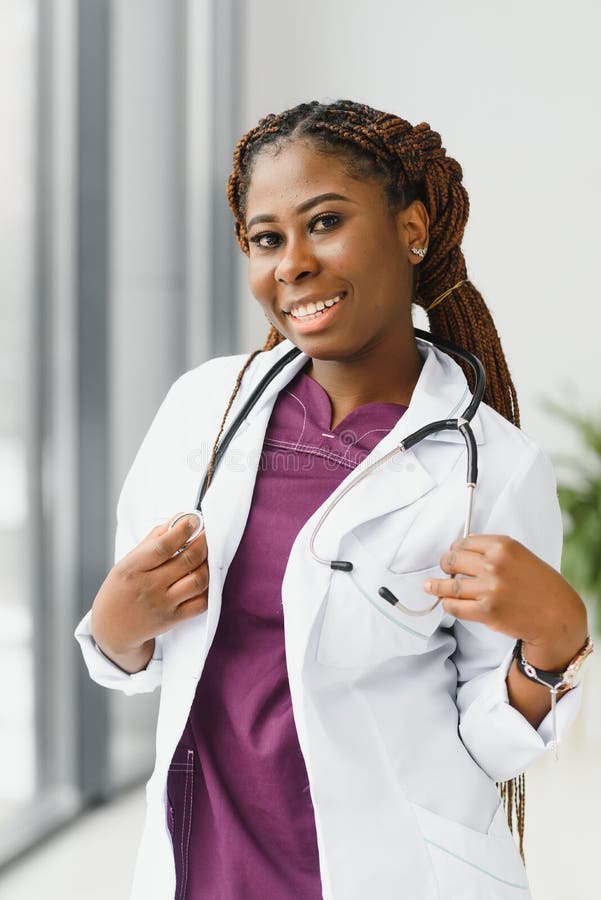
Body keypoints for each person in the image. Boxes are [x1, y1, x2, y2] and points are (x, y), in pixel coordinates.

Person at [75, 100, 592, 900]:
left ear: (411, 227)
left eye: (323, 223)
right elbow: (135, 660)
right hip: (207, 866)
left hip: (388, 871)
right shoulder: (199, 410)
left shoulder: (491, 465)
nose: (291, 265)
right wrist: (114, 627)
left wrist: (556, 643)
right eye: (265, 239)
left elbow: (488, 745)